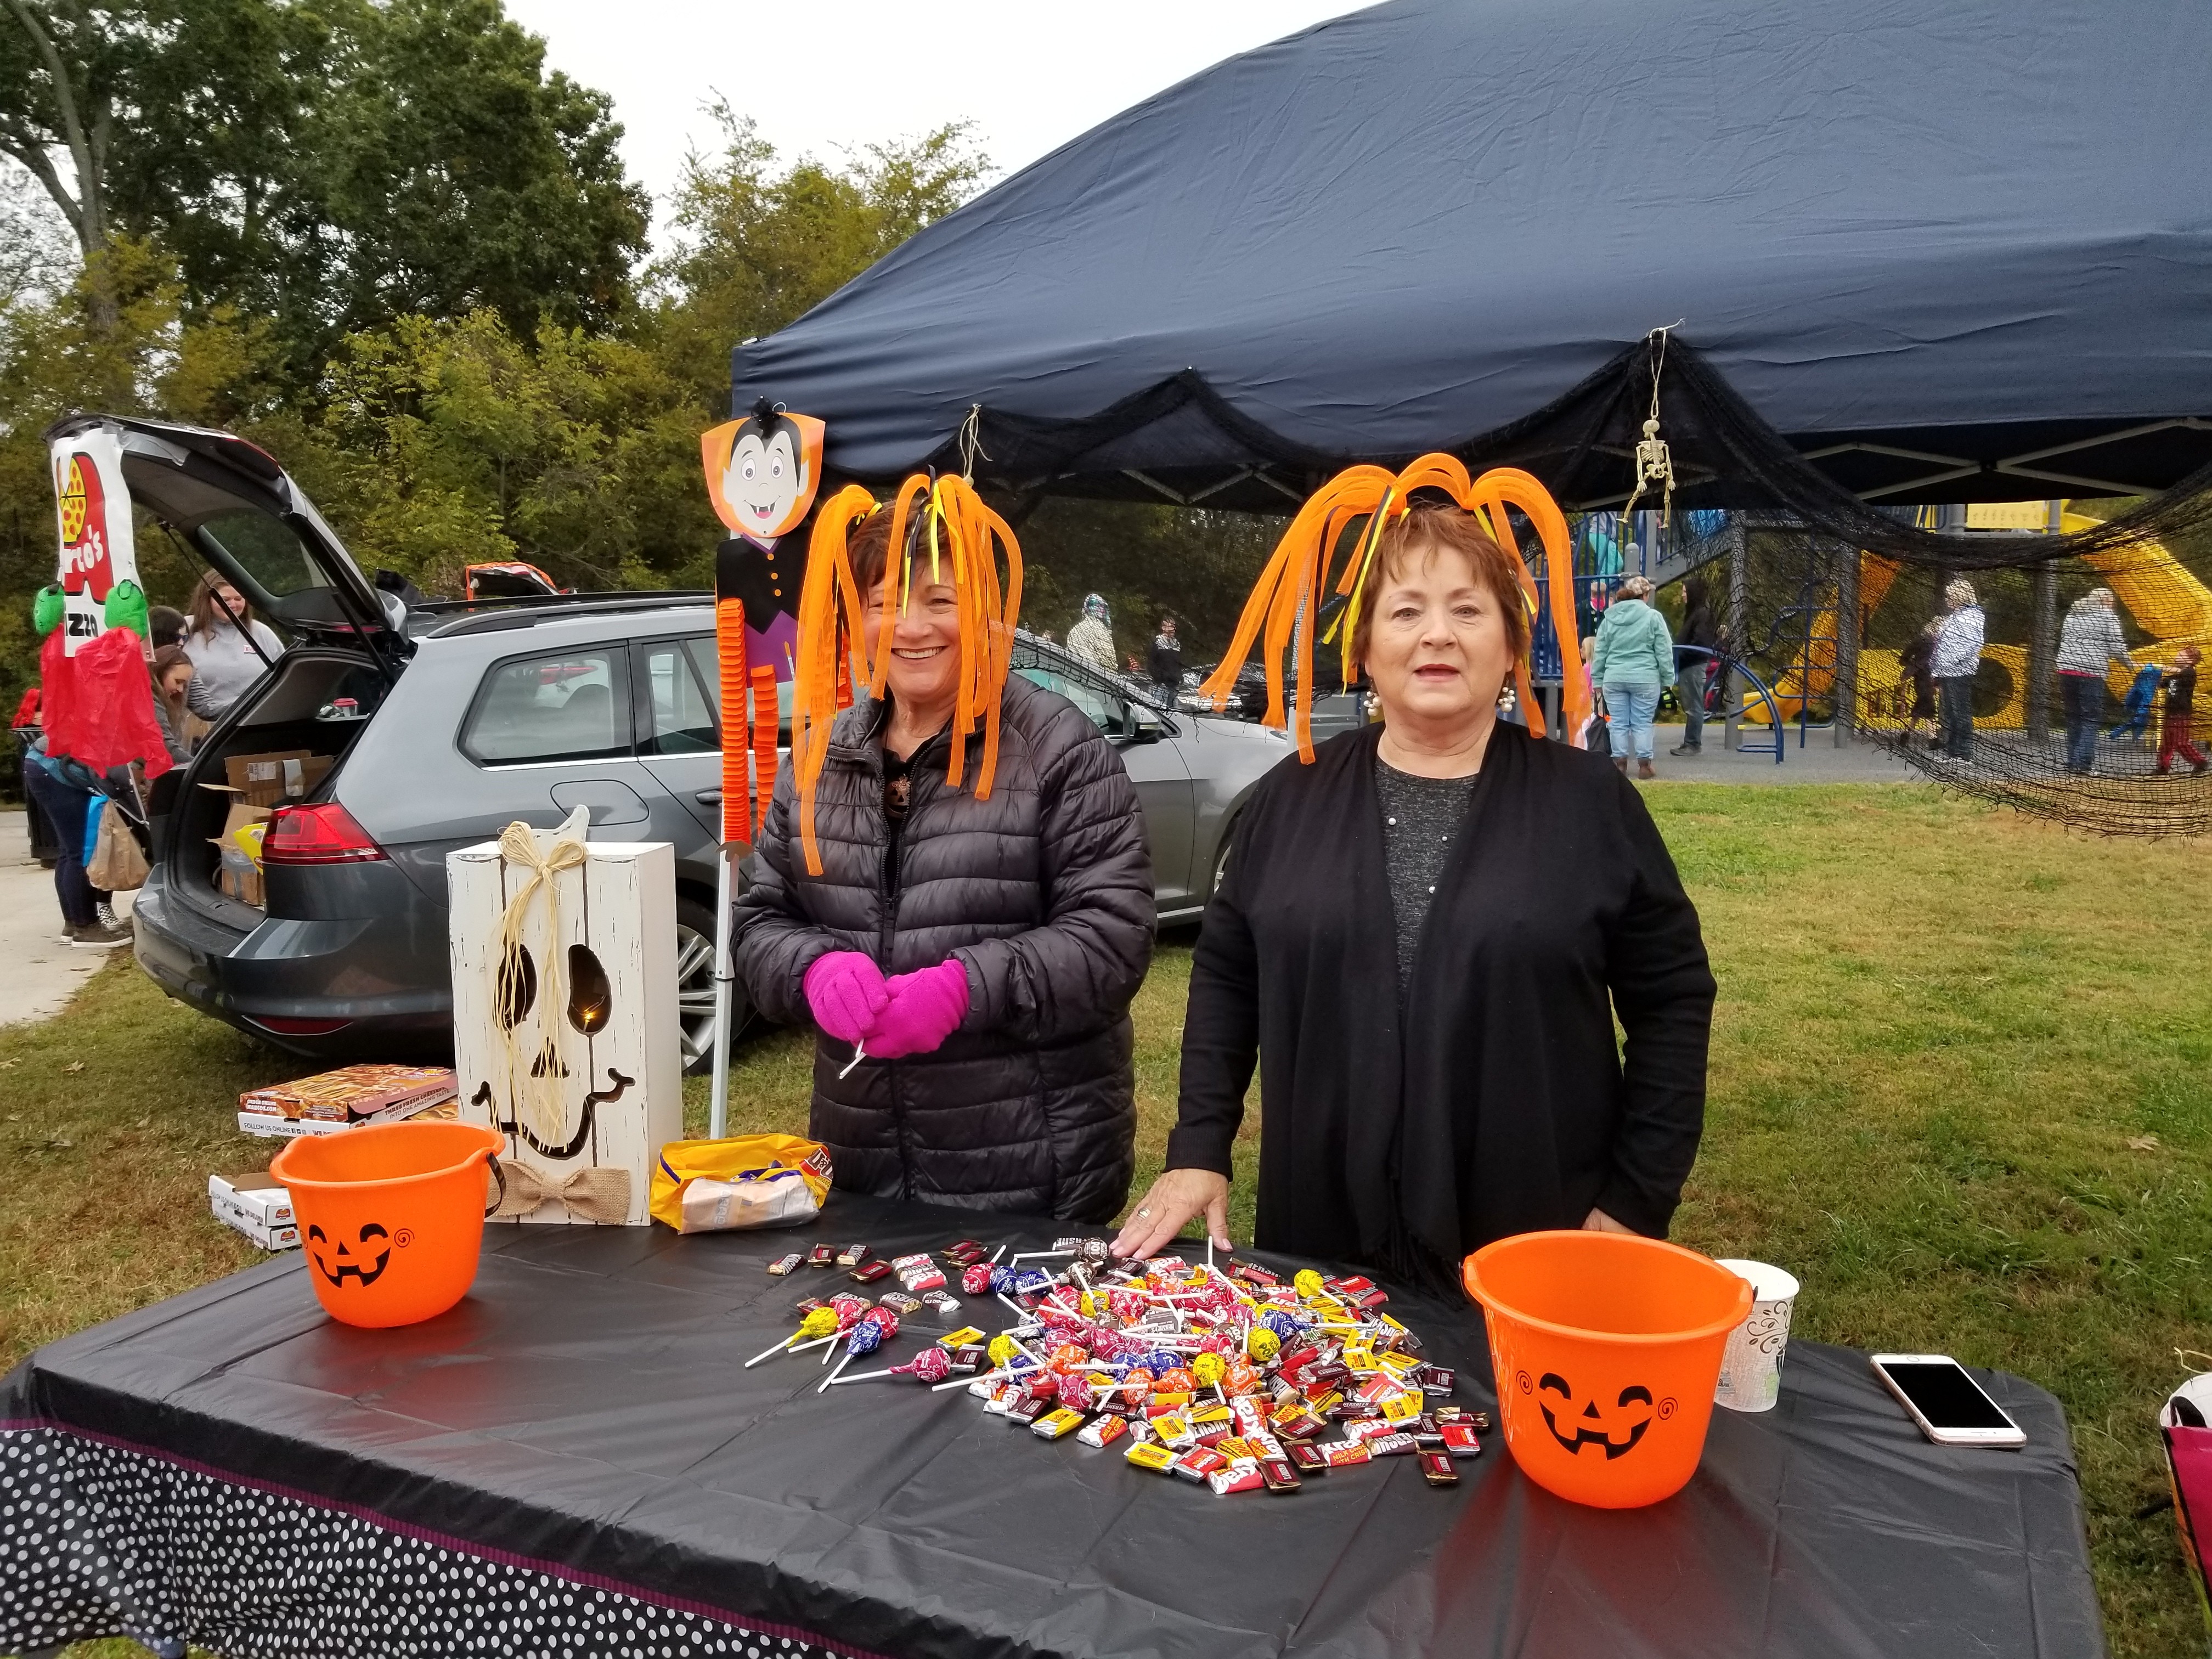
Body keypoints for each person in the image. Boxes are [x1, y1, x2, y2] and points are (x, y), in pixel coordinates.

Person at [1116, 460, 1714, 1285]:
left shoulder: (1589, 804)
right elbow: (1228, 973)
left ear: (1510, 645)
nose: (1438, 634)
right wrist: (1199, 1148)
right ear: (1363, 648)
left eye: (1468, 609)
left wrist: (1637, 1199)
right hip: (1321, 1229)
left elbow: (1673, 999)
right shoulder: (1289, 799)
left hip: (1535, 1238)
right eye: (1407, 610)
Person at [733, 482, 1154, 1221]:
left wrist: (965, 990)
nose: (910, 627)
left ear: (987, 609)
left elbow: (1113, 939)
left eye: (940, 600)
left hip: (1028, 1177)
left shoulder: (1059, 749)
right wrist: (813, 970)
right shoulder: (817, 758)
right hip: (860, 1172)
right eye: (883, 601)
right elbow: (759, 920)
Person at [1591, 574, 1674, 780]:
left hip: (1614, 677)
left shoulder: (1609, 619)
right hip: (1645, 677)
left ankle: (1620, 764)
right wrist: (1667, 681)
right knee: (1643, 722)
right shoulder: (1653, 617)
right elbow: (1664, 652)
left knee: (1618, 722)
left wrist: (1597, 680)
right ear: (1644, 595)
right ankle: (1645, 765)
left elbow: (1600, 652)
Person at [182, 573, 282, 721]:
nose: (233, 605)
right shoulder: (184, 629)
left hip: (258, 721)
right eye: (225, 600)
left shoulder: (261, 632)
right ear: (206, 599)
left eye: (238, 599)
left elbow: (283, 679)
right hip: (204, 728)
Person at [2054, 588, 2134, 774]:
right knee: (2091, 718)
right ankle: (2082, 763)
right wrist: (2130, 665)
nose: (2114, 604)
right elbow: (2117, 647)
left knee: (2074, 717)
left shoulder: (2073, 613)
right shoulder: (2108, 617)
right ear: (2105, 601)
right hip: (2091, 671)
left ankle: (2073, 761)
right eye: (2112, 600)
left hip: (2066, 669)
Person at [1931, 579, 1984, 763]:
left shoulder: (1971, 617)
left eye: (1950, 596)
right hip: (1947, 670)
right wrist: (1939, 666)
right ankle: (1953, 751)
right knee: (1951, 713)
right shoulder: (1956, 616)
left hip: (1959, 671)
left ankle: (1964, 752)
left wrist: (1949, 661)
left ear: (1960, 597)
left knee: (1961, 712)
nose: (1947, 600)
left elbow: (1970, 645)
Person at [1669, 573, 1718, 756]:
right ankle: (1689, 742)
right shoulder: (1695, 613)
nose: (1683, 595)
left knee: (1694, 705)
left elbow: (1700, 643)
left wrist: (1681, 653)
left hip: (1693, 664)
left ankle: (1693, 743)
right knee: (1691, 704)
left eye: (1685, 591)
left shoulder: (1702, 614)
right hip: (1688, 664)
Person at [2155, 645, 2206, 775]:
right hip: (2170, 712)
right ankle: (2163, 767)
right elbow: (2162, 683)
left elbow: (2179, 673)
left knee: (2180, 742)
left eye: (2180, 655)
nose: (2177, 657)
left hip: (2182, 712)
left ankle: (2200, 762)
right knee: (2167, 742)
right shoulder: (2174, 676)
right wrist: (2151, 677)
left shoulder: (2190, 673)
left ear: (2190, 661)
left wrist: (2161, 667)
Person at [150, 644, 197, 763]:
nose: (180, 690)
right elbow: (165, 745)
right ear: (161, 671)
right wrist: (196, 767)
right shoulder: (150, 701)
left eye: (184, 685)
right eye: (178, 682)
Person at [1898, 617, 1940, 744]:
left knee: (1922, 705)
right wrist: (1915, 667)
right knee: (1928, 703)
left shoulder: (1943, 644)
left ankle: (1907, 733)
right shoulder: (1922, 641)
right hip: (1922, 677)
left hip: (1934, 677)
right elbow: (1904, 659)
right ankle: (1933, 739)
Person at [1066, 593, 1117, 673]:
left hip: (1074, 675)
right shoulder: (1101, 631)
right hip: (1095, 678)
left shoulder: (1076, 629)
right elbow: (1109, 664)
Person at [1147, 614, 1183, 705]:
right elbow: (1151, 662)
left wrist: (1180, 676)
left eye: (1174, 626)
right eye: (1170, 626)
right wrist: (1158, 678)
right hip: (1161, 685)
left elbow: (1178, 663)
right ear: (1164, 628)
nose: (1173, 629)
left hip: (1174, 684)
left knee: (1174, 712)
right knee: (1159, 709)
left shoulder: (1177, 644)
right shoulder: (1158, 642)